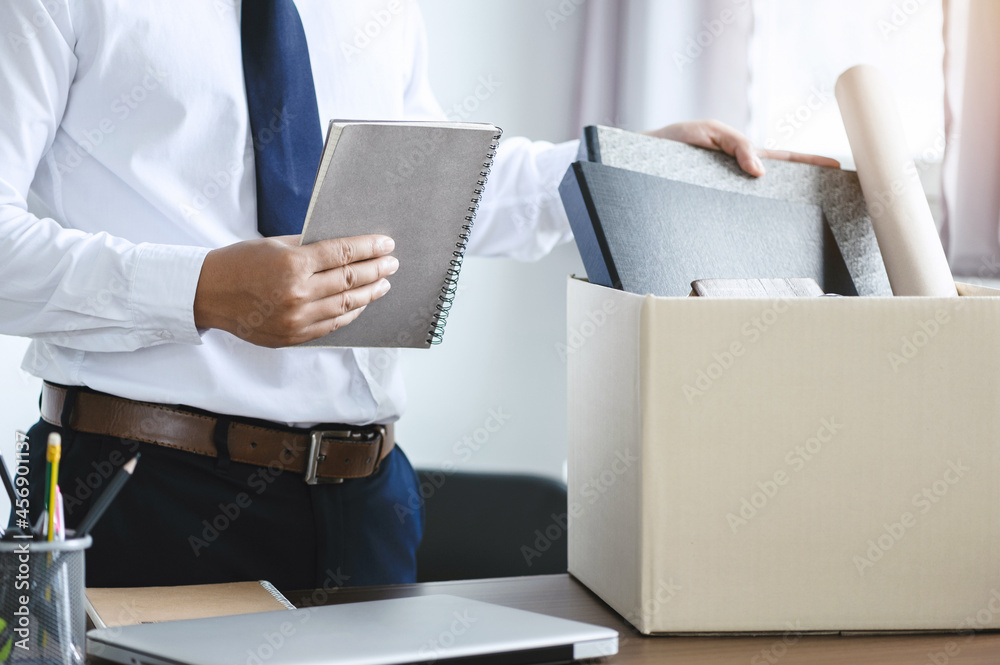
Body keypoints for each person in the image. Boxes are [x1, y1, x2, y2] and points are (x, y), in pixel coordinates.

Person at [0, 1, 836, 589]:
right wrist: (201, 292)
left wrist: (612, 168)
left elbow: (438, 187)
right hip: (140, 494)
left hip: (366, 502)